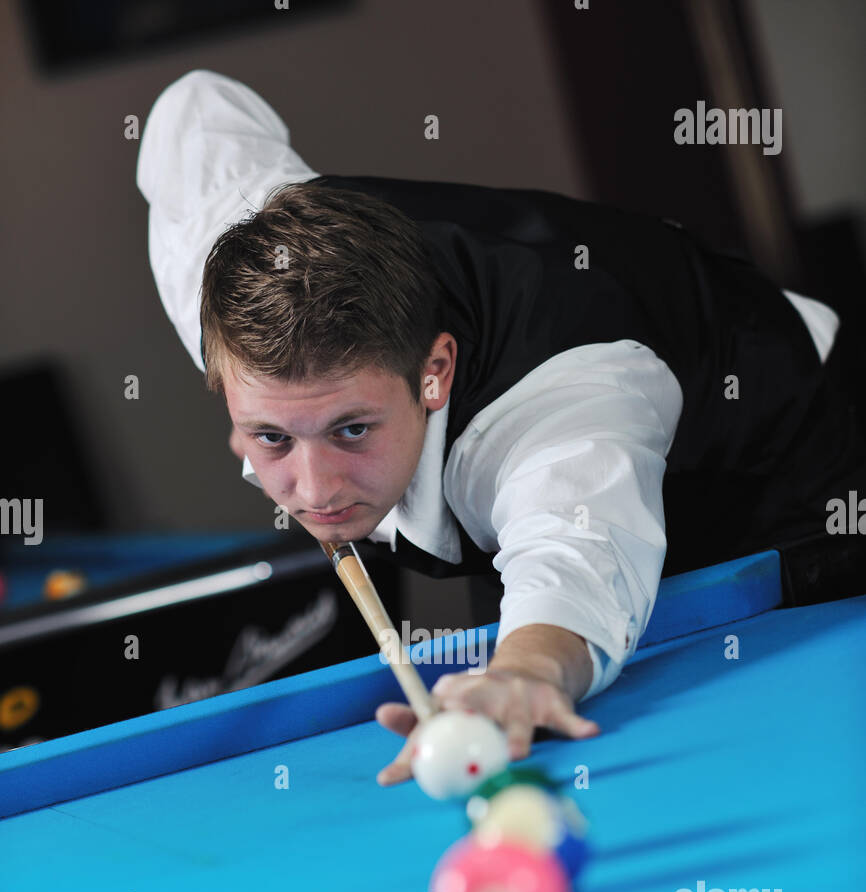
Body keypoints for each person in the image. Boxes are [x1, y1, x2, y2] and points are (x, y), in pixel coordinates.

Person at [137, 71, 864, 787]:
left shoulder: (556, 413)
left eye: (352, 429)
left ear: (435, 372)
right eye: (274, 438)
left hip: (783, 462)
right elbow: (194, 109)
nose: (315, 488)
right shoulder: (230, 268)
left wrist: (526, 670)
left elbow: (574, 556)